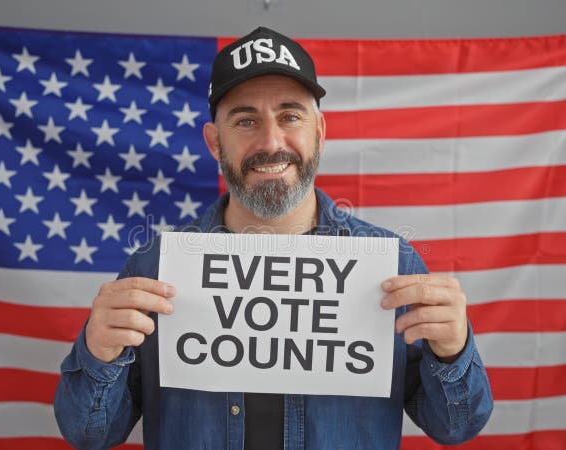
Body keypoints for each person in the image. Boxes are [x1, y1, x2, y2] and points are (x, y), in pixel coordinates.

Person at [54, 26, 493, 450]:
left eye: (290, 116)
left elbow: (455, 428)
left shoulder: (392, 268)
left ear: (319, 131)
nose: (270, 141)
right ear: (214, 142)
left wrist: (453, 351)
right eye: (245, 121)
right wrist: (100, 350)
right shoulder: (154, 268)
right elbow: (89, 434)